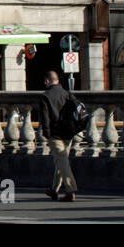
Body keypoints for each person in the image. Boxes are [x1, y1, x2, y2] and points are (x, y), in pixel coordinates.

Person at [41, 71, 78, 202]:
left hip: (55, 133)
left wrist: (46, 132)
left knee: (62, 161)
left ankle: (70, 190)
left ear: (47, 81)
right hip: (68, 132)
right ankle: (54, 189)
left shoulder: (45, 96)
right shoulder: (67, 94)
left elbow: (45, 118)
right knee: (61, 160)